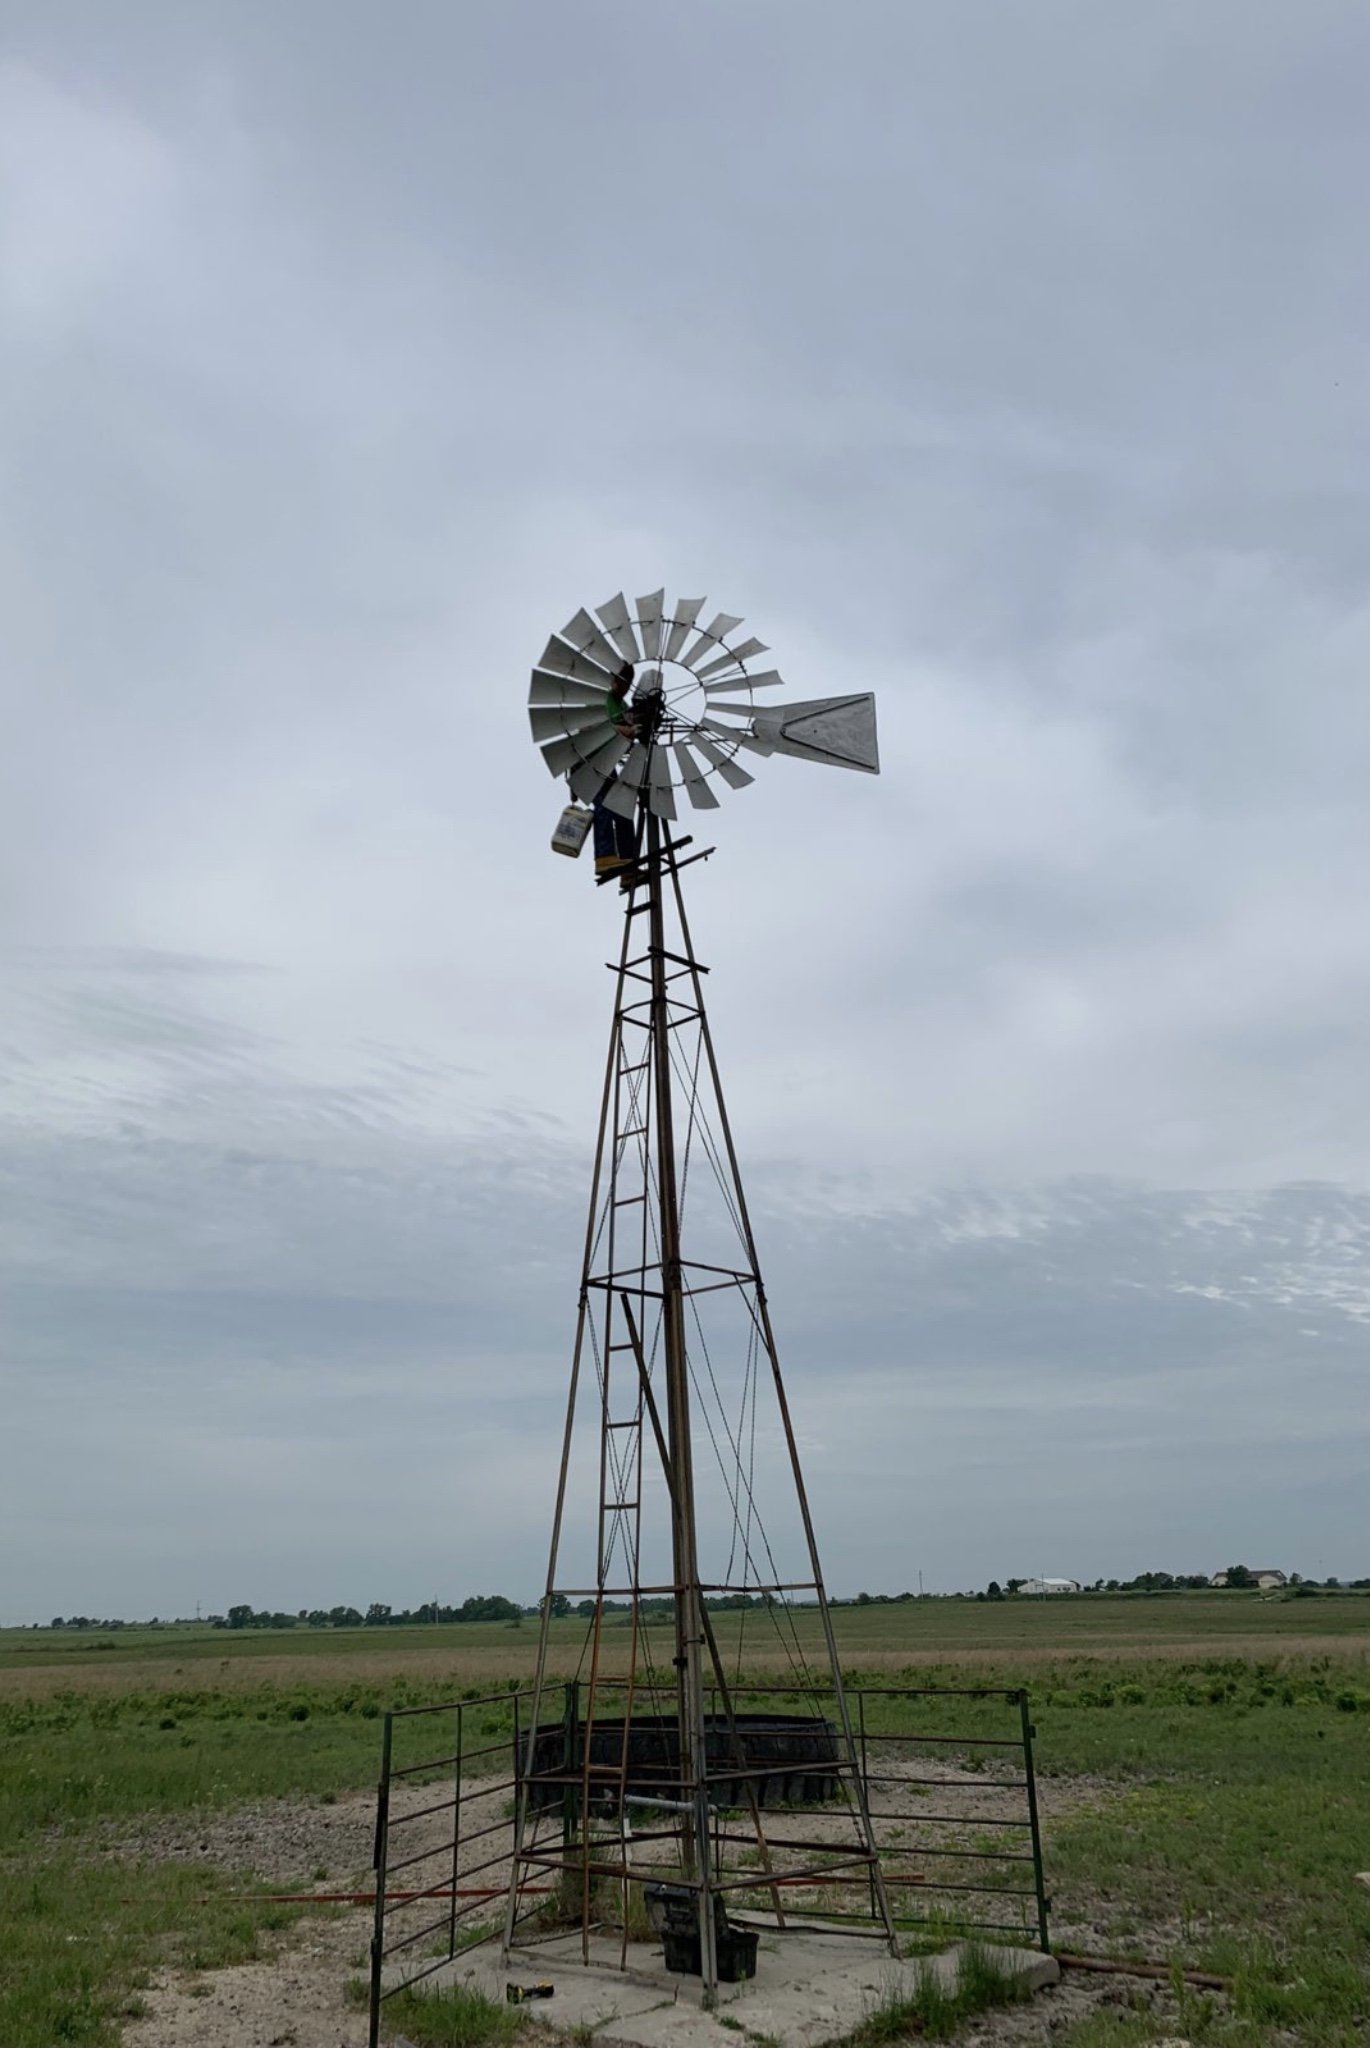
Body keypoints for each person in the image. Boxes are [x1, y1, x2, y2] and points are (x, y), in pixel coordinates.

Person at [592, 662, 639, 877]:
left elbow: (626, 738)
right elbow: (588, 726)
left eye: (628, 681)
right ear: (612, 679)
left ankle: (628, 864)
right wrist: (625, 730)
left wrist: (634, 727)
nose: (625, 685)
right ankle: (604, 857)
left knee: (622, 808)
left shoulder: (622, 706)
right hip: (589, 761)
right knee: (604, 805)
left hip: (607, 762)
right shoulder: (599, 698)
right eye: (621, 680)